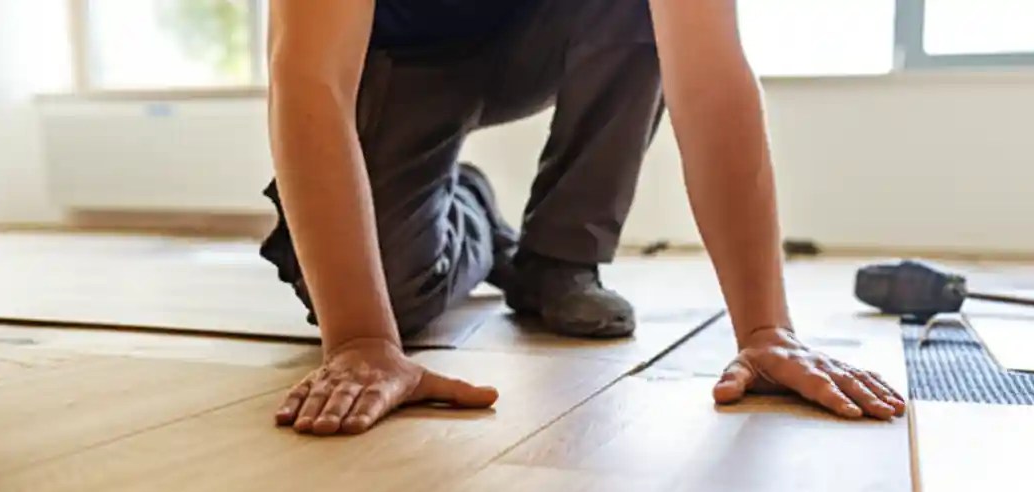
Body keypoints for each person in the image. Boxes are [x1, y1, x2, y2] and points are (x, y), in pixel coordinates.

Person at [264, 0, 907, 436]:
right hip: (394, 59)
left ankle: (558, 262)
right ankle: (470, 213)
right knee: (392, 297)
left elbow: (709, 72)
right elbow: (310, 77)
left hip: (544, 34)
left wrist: (766, 329)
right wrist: (361, 341)